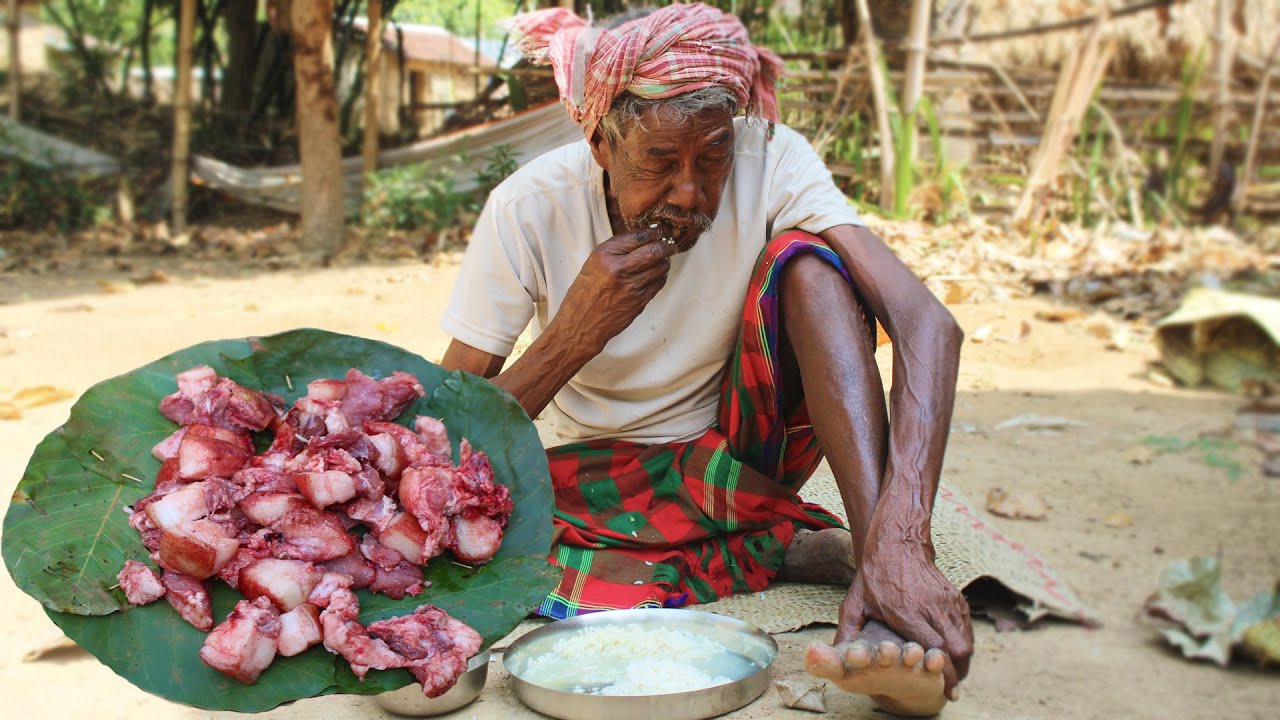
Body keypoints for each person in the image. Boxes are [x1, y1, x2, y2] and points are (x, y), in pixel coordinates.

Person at [440, 3, 972, 715]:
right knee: (464, 545)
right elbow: (446, 440)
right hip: (599, 476)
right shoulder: (527, 209)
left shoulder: (773, 156)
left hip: (744, 450)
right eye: (659, 162)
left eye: (712, 156)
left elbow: (926, 323)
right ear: (601, 144)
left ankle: (881, 571)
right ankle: (788, 547)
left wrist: (905, 537)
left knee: (811, 266)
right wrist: (573, 333)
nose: (689, 192)